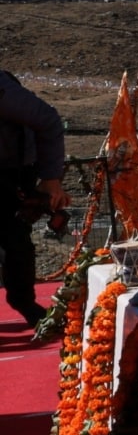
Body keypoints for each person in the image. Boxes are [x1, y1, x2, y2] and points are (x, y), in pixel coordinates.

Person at [0, 71, 69, 330]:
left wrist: (51, 179)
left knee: (16, 244)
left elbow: (47, 120)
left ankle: (25, 304)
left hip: (8, 179)